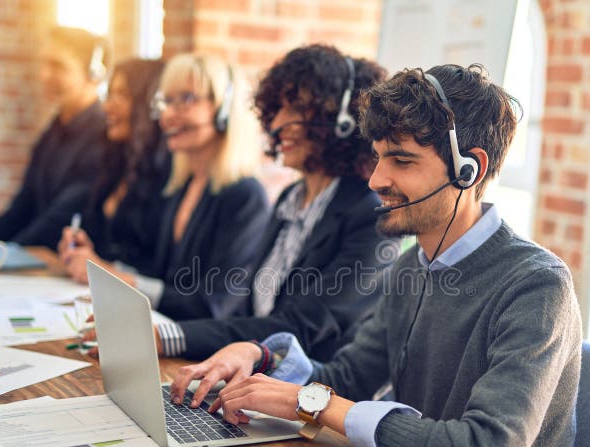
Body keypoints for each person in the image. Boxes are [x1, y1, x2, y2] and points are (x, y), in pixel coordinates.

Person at [169, 64, 583, 447]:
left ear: (471, 169)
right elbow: (349, 378)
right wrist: (262, 355)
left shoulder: (535, 285)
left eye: (402, 161)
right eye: (378, 157)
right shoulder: (412, 266)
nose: (375, 180)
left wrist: (313, 405)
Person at [110, 44, 392, 362]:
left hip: (311, 397)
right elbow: (247, 310)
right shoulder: (291, 199)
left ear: (342, 119)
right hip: (252, 377)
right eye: (277, 108)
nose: (277, 123)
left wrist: (169, 337)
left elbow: (302, 327)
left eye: (296, 109)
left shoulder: (369, 216)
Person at [63, 53, 270, 321]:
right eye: (166, 102)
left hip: (207, 352)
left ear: (223, 109)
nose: (168, 115)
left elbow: (215, 303)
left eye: (185, 99)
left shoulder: (246, 197)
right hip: (165, 331)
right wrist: (100, 266)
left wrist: (121, 280)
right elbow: (161, 278)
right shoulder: (181, 187)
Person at [0, 26, 109, 248]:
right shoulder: (54, 130)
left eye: (58, 66)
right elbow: (22, 207)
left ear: (93, 74)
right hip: (35, 260)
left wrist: (5, 255)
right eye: (45, 64)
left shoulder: (103, 138)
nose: (44, 76)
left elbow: (59, 219)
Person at [56, 58, 169, 277]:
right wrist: (84, 250)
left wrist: (99, 265)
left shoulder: (168, 177)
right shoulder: (117, 166)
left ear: (151, 105)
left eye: (123, 96)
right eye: (110, 94)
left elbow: (156, 274)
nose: (108, 106)